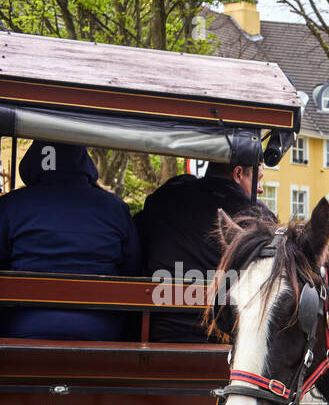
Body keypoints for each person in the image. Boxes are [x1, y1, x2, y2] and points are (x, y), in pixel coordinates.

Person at [0, 141, 139, 340]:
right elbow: (132, 269)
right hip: (102, 329)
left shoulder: (10, 205)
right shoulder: (117, 209)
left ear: (33, 162)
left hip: (22, 327)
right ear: (84, 163)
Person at [134, 160, 274, 341]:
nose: (260, 189)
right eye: (258, 180)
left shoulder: (165, 198)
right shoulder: (258, 216)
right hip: (225, 341)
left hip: (158, 335)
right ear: (238, 173)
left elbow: (135, 249)